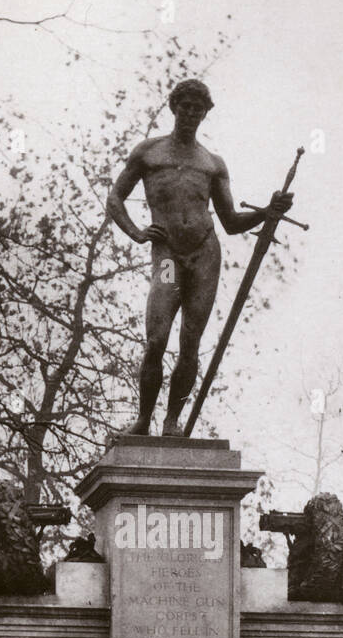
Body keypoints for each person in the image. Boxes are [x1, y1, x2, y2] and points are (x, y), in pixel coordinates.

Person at [106, 78, 294, 436]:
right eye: (185, 106)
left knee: (190, 343)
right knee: (156, 339)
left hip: (205, 254)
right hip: (166, 256)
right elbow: (115, 199)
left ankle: (172, 421)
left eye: (198, 108)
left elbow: (232, 222)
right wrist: (137, 232)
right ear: (174, 107)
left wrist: (268, 210)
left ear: (206, 113)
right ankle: (144, 419)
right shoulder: (149, 152)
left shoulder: (212, 163)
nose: (191, 113)